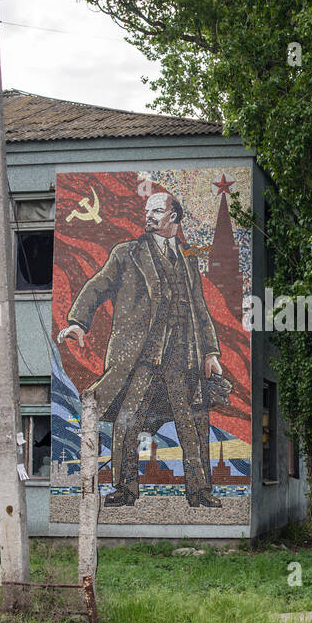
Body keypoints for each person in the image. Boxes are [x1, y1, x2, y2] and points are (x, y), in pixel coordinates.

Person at [58, 191, 225, 508]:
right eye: (147, 210)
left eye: (157, 210)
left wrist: (210, 352)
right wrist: (79, 322)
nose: (148, 215)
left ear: (173, 217)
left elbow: (200, 309)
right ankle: (124, 489)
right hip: (141, 358)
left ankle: (200, 491)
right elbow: (99, 285)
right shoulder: (127, 253)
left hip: (181, 359)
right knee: (127, 421)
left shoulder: (188, 260)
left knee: (193, 423)